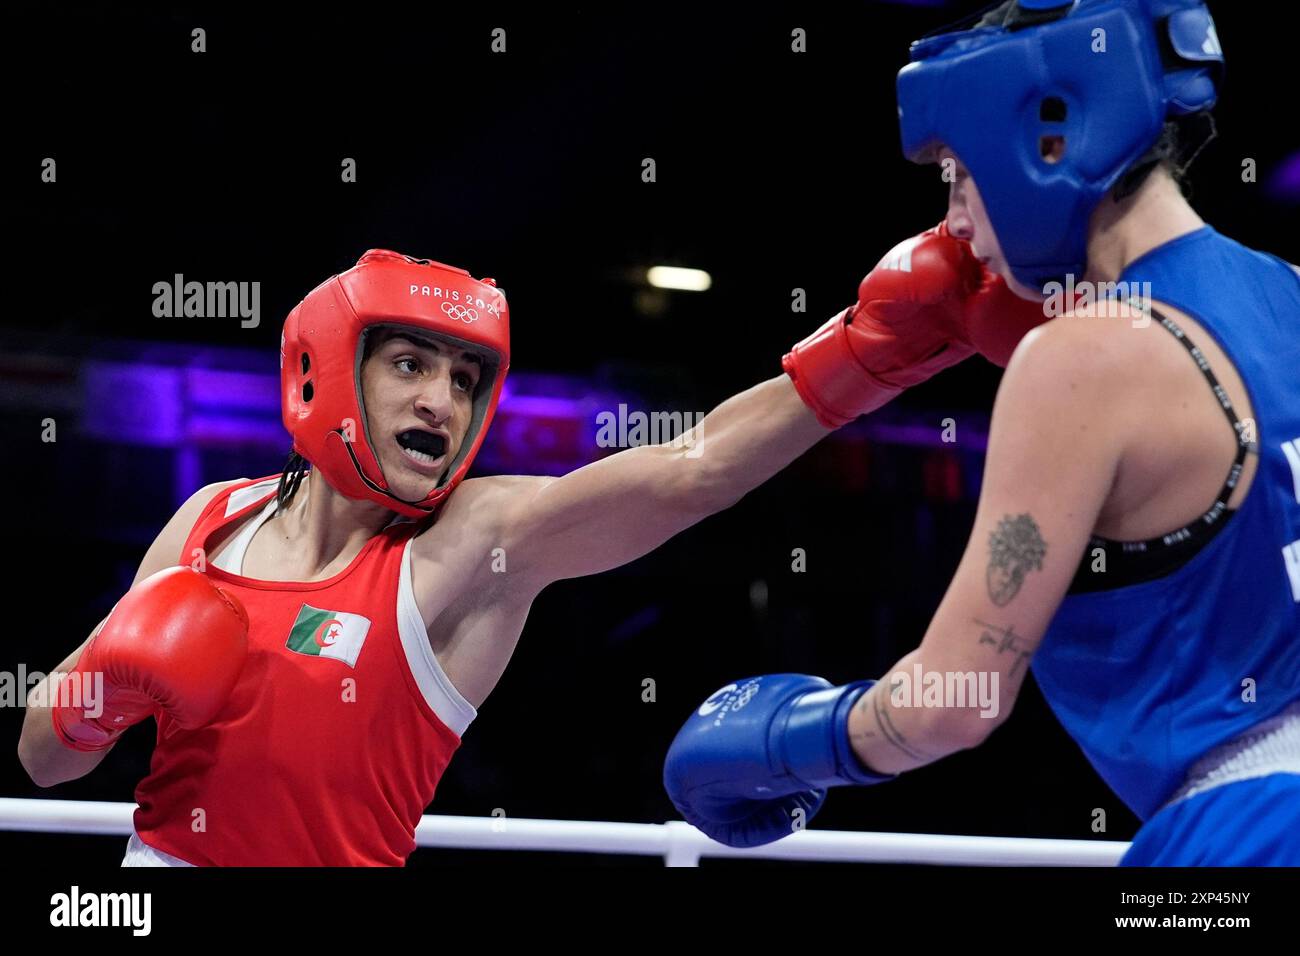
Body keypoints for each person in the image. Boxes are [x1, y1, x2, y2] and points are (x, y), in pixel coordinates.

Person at [17, 240, 1041, 865]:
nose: (441, 400)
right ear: (320, 373)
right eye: (409, 364)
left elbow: (692, 469)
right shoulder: (210, 519)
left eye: (465, 379)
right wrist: (108, 688)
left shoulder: (472, 543)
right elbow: (44, 759)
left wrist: (869, 352)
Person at [664, 0, 1300, 864]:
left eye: (957, 174)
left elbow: (955, 700)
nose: (956, 220)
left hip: (1248, 826)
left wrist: (785, 738)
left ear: (1050, 140)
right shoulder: (1291, 290)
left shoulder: (1082, 358)